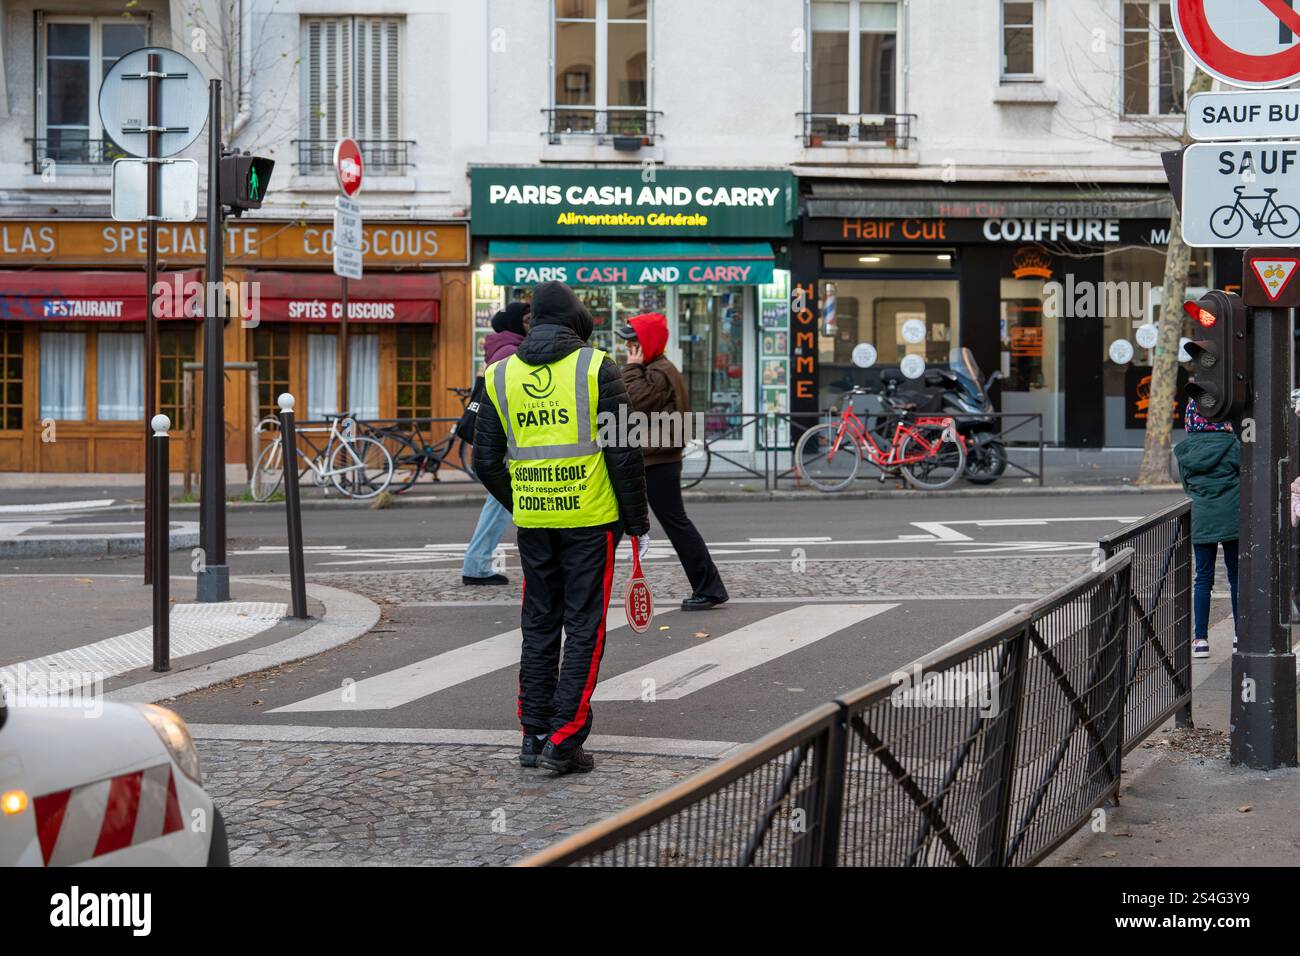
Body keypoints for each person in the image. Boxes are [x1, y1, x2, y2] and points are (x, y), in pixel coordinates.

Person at [475, 280, 649, 775]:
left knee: (539, 625)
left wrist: (523, 499)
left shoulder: (499, 375)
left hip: (535, 521)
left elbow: (484, 460)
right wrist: (635, 520)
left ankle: (533, 734)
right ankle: (565, 739)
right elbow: (624, 450)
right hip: (591, 520)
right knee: (584, 629)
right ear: (576, 319)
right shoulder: (598, 367)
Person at [616, 313, 728, 611]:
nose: (627, 348)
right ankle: (586, 588)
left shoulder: (657, 372)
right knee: (618, 522)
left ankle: (710, 588)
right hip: (652, 458)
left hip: (657, 460)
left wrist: (630, 368)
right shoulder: (656, 368)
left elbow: (631, 400)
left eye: (632, 342)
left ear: (646, 343)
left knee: (672, 523)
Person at [461, 302, 530, 585]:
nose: (531, 325)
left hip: (499, 438)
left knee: (499, 503)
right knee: (501, 503)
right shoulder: (511, 352)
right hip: (505, 439)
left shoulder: (502, 347)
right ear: (515, 323)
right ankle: (476, 566)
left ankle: (476, 564)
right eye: (526, 320)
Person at [1174, 398, 1240, 659]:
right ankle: (1239, 635)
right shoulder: (1232, 445)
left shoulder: (1186, 451)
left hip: (1201, 517)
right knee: (1236, 576)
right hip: (1233, 516)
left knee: (1203, 579)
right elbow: (1244, 474)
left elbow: (1187, 486)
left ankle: (1200, 639)